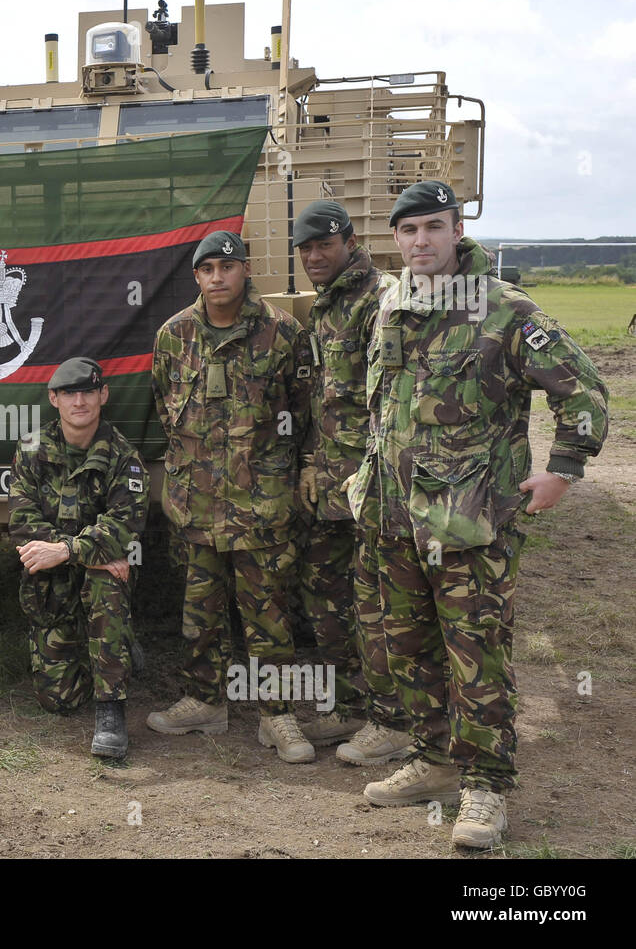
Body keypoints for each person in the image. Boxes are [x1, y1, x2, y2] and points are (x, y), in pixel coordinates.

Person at [352, 180, 608, 848]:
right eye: (408, 231)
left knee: (476, 656)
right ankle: (433, 760)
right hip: (395, 519)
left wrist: (565, 468)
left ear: (457, 229)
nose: (420, 242)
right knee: (407, 649)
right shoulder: (390, 305)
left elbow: (582, 390)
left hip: (471, 523)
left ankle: (485, 788)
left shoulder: (503, 308)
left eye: (433, 227)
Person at [147, 230, 317, 763]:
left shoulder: (283, 332)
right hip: (195, 502)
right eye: (207, 269)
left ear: (245, 269)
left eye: (227, 266)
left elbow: (306, 412)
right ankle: (204, 701)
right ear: (196, 277)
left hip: (261, 504)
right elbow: (164, 408)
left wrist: (302, 470)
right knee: (200, 611)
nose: (217, 277)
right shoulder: (172, 336)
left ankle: (278, 715)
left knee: (268, 613)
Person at [291, 200, 412, 765]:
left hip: (373, 484)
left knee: (379, 601)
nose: (314, 256)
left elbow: (390, 401)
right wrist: (315, 463)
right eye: (305, 248)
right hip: (331, 483)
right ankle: (346, 704)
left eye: (324, 245)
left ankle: (395, 721)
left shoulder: (381, 299)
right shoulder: (327, 306)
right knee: (326, 594)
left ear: (349, 241)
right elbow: (326, 399)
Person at [8, 357, 148, 759]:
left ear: (103, 395)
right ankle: (114, 650)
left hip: (95, 579)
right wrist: (87, 553)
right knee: (60, 700)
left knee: (108, 581)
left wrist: (66, 550)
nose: (80, 401)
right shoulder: (31, 447)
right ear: (54, 399)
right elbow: (22, 523)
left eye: (88, 391)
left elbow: (124, 525)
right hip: (50, 584)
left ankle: (111, 710)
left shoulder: (123, 456)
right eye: (69, 393)